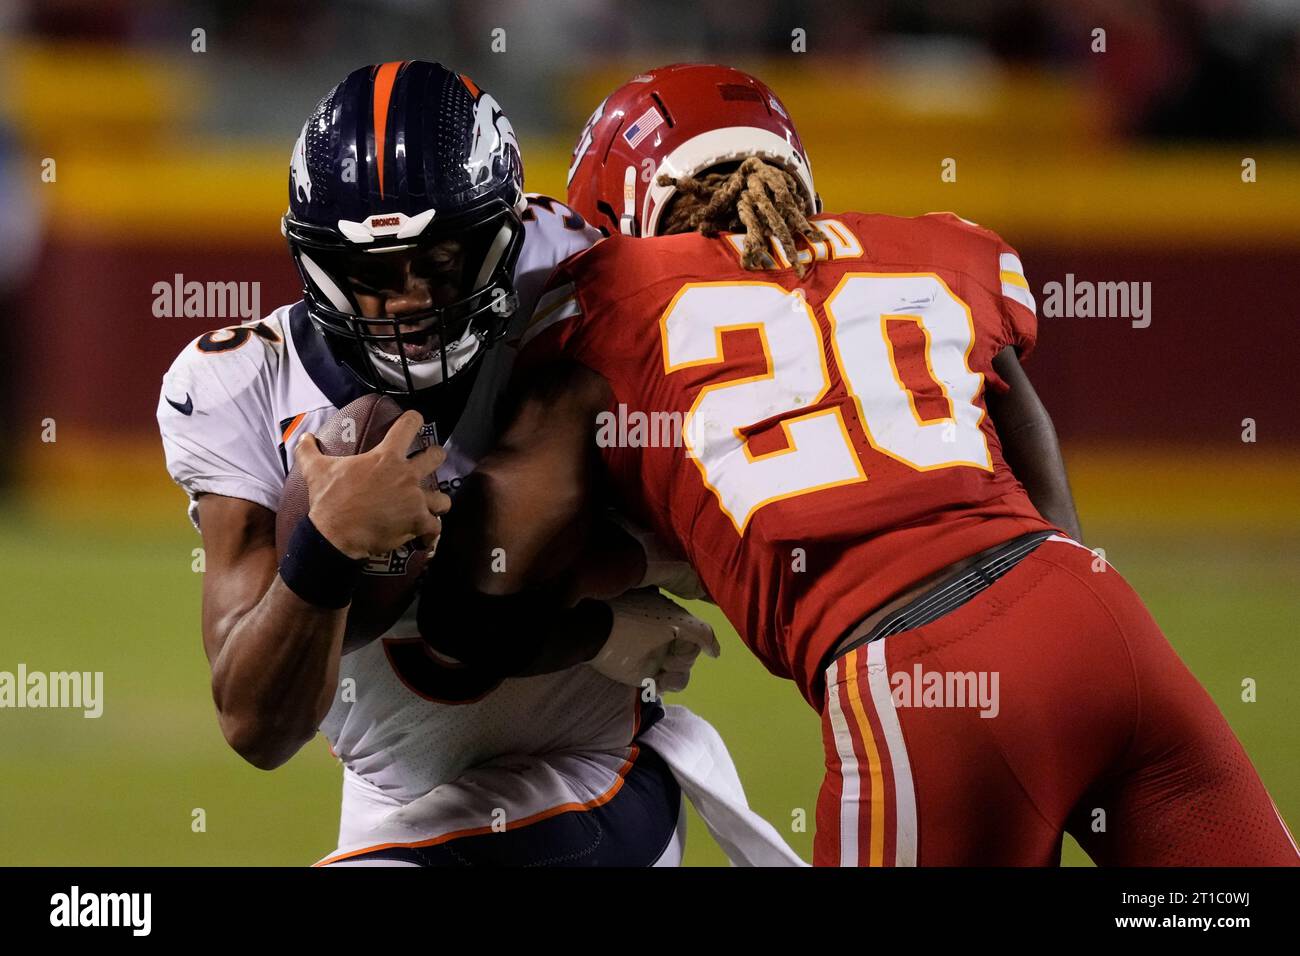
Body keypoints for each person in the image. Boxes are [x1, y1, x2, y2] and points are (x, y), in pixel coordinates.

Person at [424, 63, 1299, 866]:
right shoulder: (941, 251)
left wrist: (608, 621)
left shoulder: (605, 306)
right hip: (1099, 621)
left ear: (618, 220)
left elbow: (470, 618)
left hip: (916, 676)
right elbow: (1043, 494)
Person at [158, 60, 800, 867]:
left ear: (503, 238)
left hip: (587, 770)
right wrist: (326, 546)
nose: (411, 301)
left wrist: (621, 579)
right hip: (396, 801)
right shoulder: (236, 383)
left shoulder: (581, 275)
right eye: (374, 274)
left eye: (441, 261)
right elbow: (255, 724)